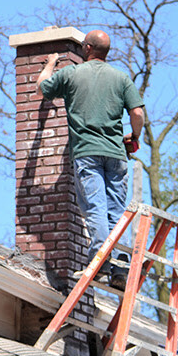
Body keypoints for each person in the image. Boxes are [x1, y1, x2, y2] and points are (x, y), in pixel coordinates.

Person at [37, 29, 145, 290]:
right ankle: (119, 266)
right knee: (117, 210)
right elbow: (138, 113)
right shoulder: (121, 78)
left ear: (87, 48)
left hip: (87, 152)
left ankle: (98, 263)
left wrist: (51, 62)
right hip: (117, 154)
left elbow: (43, 87)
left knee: (95, 208)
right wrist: (134, 136)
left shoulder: (72, 73)